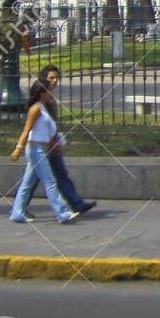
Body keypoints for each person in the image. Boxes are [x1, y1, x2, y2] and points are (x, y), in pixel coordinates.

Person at [19, 66, 96, 215]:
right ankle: (19, 209)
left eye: (56, 78)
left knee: (59, 174)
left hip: (50, 143)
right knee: (32, 181)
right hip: (40, 146)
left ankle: (76, 204)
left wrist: (56, 139)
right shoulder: (38, 102)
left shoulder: (50, 99)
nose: (55, 81)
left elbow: (52, 123)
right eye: (51, 78)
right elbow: (31, 127)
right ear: (43, 80)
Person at [8, 72, 82, 224]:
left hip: (42, 149)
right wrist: (18, 148)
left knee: (27, 184)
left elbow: (46, 130)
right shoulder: (35, 109)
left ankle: (17, 212)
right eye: (48, 90)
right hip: (36, 150)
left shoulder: (43, 107)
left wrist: (55, 143)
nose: (50, 93)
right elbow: (26, 130)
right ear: (42, 93)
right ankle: (62, 213)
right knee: (50, 182)